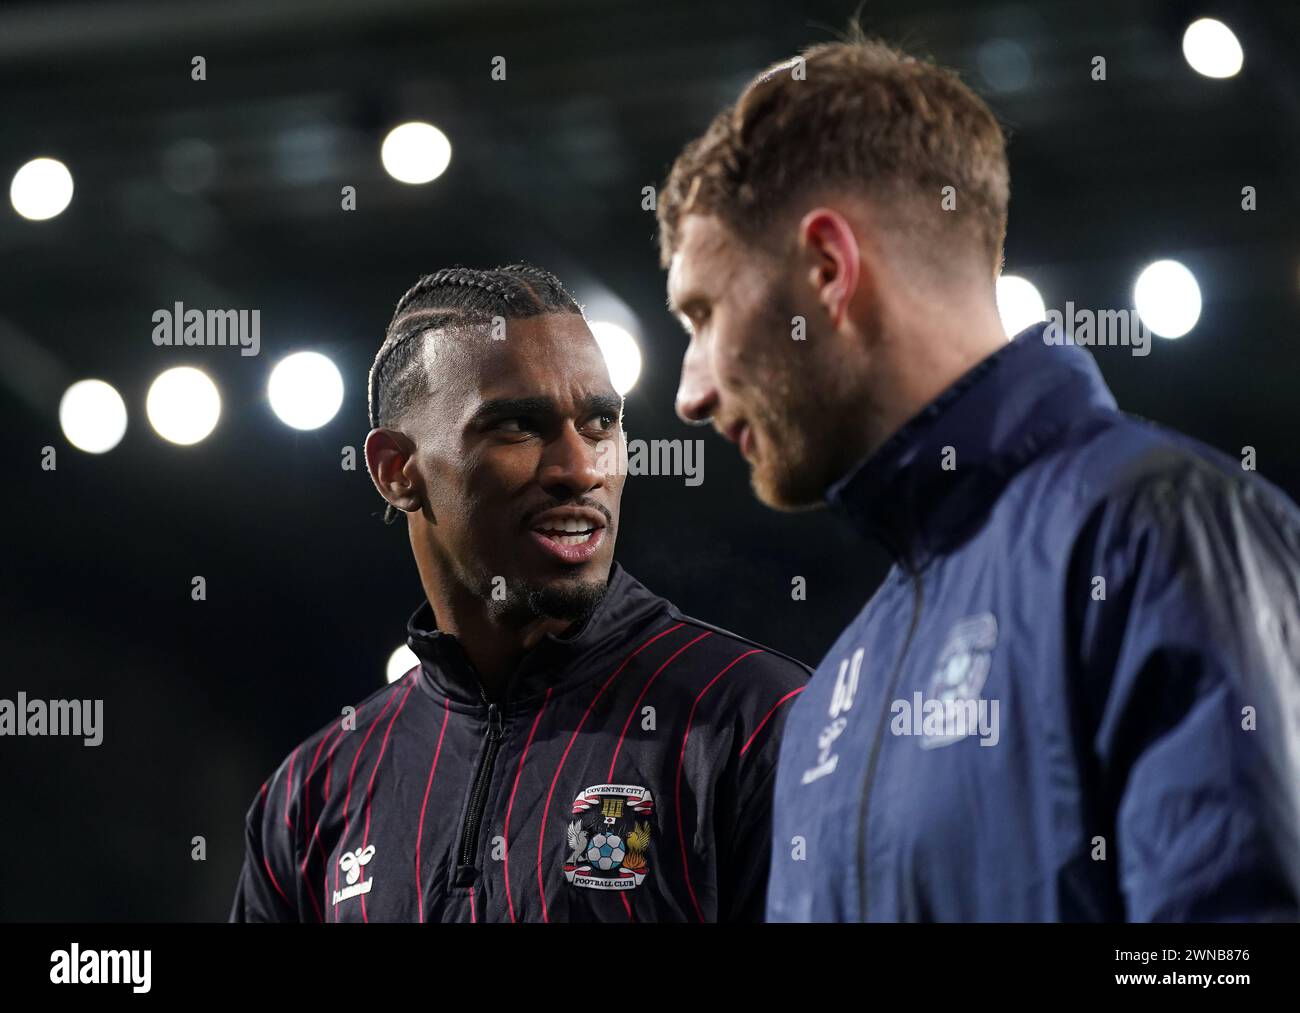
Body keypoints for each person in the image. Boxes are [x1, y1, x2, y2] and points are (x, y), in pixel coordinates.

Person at [656, 37, 1300, 921]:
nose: (688, 394)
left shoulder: (1157, 535)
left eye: (702, 313)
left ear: (829, 268)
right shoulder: (828, 697)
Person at [228, 264, 806, 923]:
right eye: (518, 427)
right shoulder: (310, 796)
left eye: (600, 423)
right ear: (397, 471)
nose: (580, 468)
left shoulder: (759, 722)